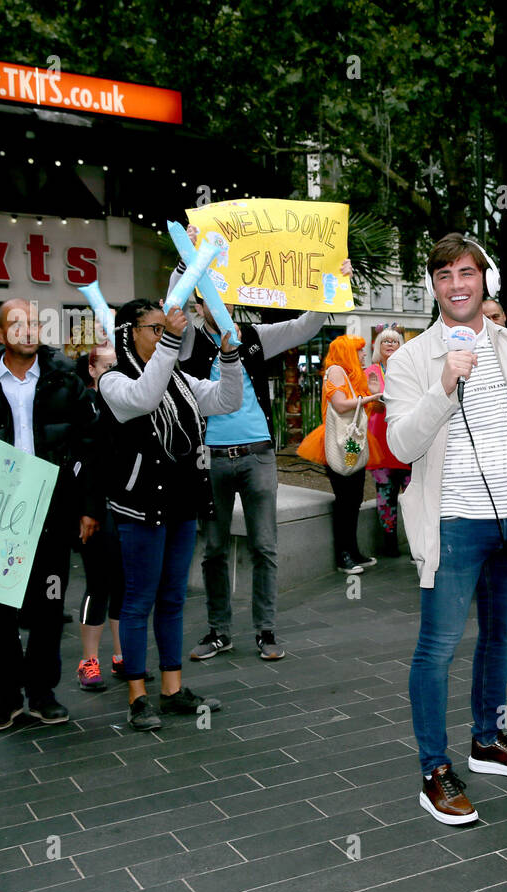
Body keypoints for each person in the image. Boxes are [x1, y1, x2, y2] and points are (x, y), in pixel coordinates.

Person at [384, 233, 507, 825]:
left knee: (500, 638)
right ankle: (434, 771)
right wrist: (445, 384)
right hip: (452, 525)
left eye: (467, 272)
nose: (457, 284)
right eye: (444, 274)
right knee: (438, 649)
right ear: (434, 287)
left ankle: (488, 741)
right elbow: (401, 444)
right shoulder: (410, 359)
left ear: (484, 280)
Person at [174, 237, 352, 662]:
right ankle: (219, 630)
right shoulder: (188, 342)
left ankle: (265, 631)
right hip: (210, 458)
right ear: (198, 305)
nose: (219, 306)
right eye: (208, 297)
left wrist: (334, 285)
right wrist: (188, 262)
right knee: (214, 548)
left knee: (265, 546)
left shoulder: (253, 337)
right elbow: (172, 305)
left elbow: (305, 327)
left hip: (257, 455)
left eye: (225, 297)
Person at [0, 299, 98, 732]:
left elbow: (89, 444)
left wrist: (88, 506)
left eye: (34, 321)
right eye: (17, 323)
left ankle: (42, 694)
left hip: (51, 511)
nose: (28, 329)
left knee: (50, 609)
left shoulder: (64, 378)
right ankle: (6, 698)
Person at [97, 299, 242, 730]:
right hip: (140, 506)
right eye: (156, 329)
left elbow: (227, 399)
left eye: (167, 330)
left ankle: (173, 689)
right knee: (140, 600)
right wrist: (173, 343)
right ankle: (138, 696)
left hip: (180, 503)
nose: (165, 337)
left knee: (174, 598)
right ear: (130, 333)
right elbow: (144, 398)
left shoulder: (178, 378)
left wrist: (229, 357)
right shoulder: (113, 381)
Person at [297, 335, 383, 573]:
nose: (364, 354)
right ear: (347, 352)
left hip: (350, 441)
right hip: (339, 440)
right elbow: (341, 405)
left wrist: (372, 394)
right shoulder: (335, 371)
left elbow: (362, 408)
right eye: (359, 351)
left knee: (353, 495)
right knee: (346, 496)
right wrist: (372, 396)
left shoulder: (352, 374)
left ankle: (352, 551)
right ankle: (344, 555)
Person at [72, 343, 125, 691]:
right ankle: (88, 661)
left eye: (115, 366)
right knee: (98, 583)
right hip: (95, 509)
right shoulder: (83, 406)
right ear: (91, 371)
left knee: (123, 584)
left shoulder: (128, 400)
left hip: (124, 507)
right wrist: (88, 510)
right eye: (105, 367)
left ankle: (123, 657)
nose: (112, 373)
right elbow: (82, 461)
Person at [365, 327, 412, 557]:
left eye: (395, 341)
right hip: (380, 443)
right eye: (386, 341)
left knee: (413, 496)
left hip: (405, 442)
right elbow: (367, 405)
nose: (391, 344)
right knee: (385, 496)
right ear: (378, 347)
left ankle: (418, 545)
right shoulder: (371, 371)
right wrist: (376, 399)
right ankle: (389, 544)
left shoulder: (408, 370)